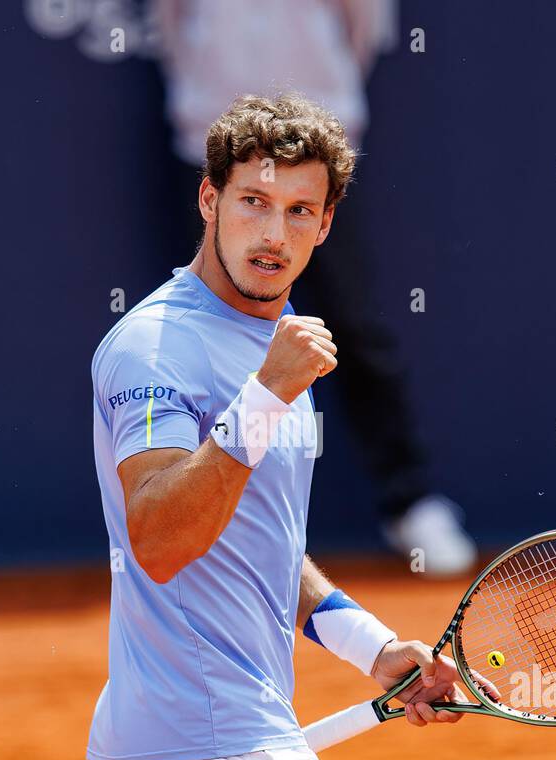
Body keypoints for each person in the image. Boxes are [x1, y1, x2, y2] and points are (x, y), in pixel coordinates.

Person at [87, 94, 477, 760]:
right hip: (215, 752)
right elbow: (161, 538)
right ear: (209, 200)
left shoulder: (277, 347)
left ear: (326, 225)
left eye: (301, 211)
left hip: (176, 754)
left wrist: (373, 648)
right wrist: (265, 395)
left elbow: (252, 543)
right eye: (254, 202)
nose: (274, 234)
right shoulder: (156, 348)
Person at [152, 0, 477, 574]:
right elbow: (173, 25)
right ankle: (207, 513)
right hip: (211, 144)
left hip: (316, 158)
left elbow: (363, 26)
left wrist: (314, 134)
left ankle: (410, 503)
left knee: (351, 326)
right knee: (205, 336)